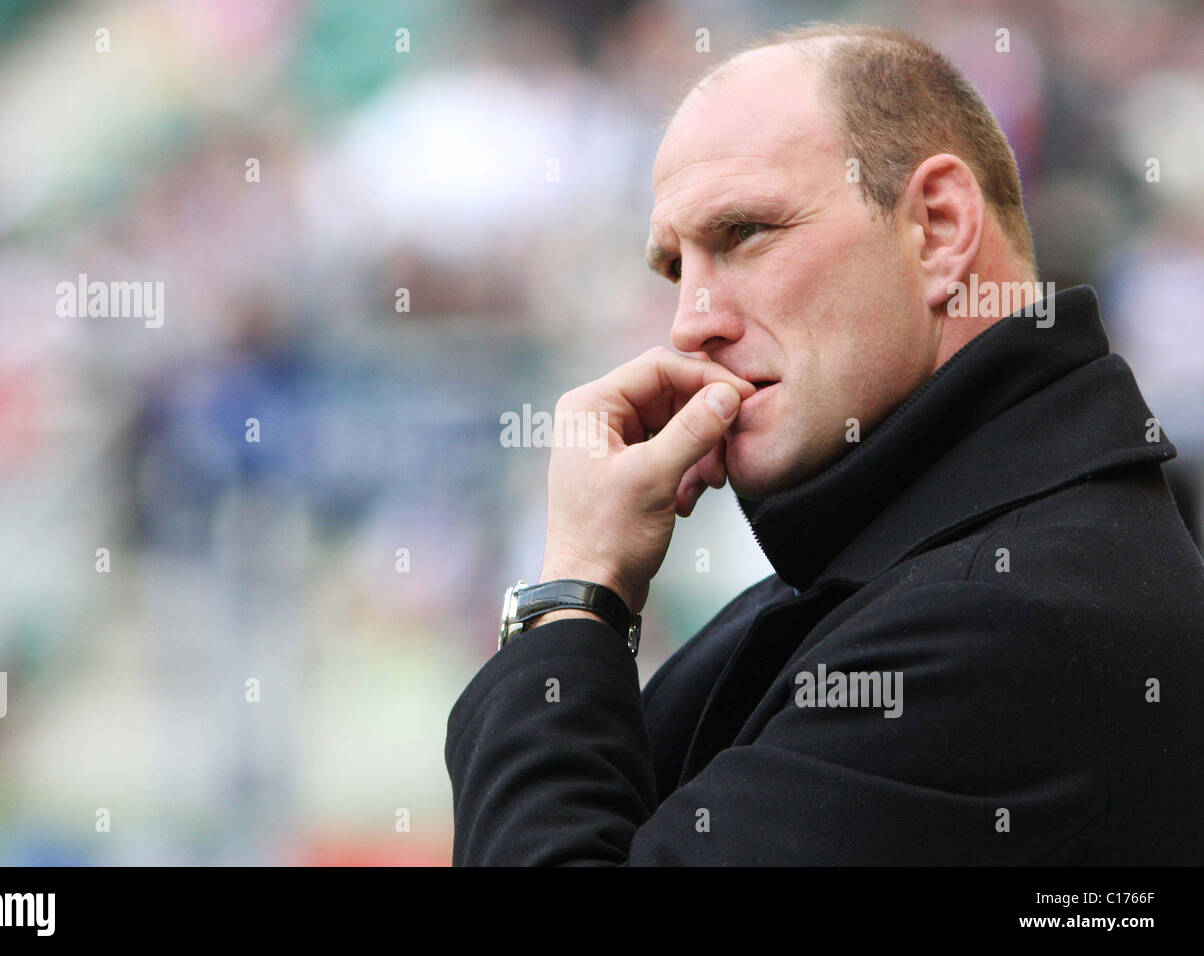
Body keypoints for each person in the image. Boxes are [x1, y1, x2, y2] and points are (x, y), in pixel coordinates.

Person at [445, 23, 1204, 865]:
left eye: (743, 234)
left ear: (941, 228)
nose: (692, 324)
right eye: (675, 269)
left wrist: (576, 591)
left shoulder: (1012, 621)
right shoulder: (898, 563)